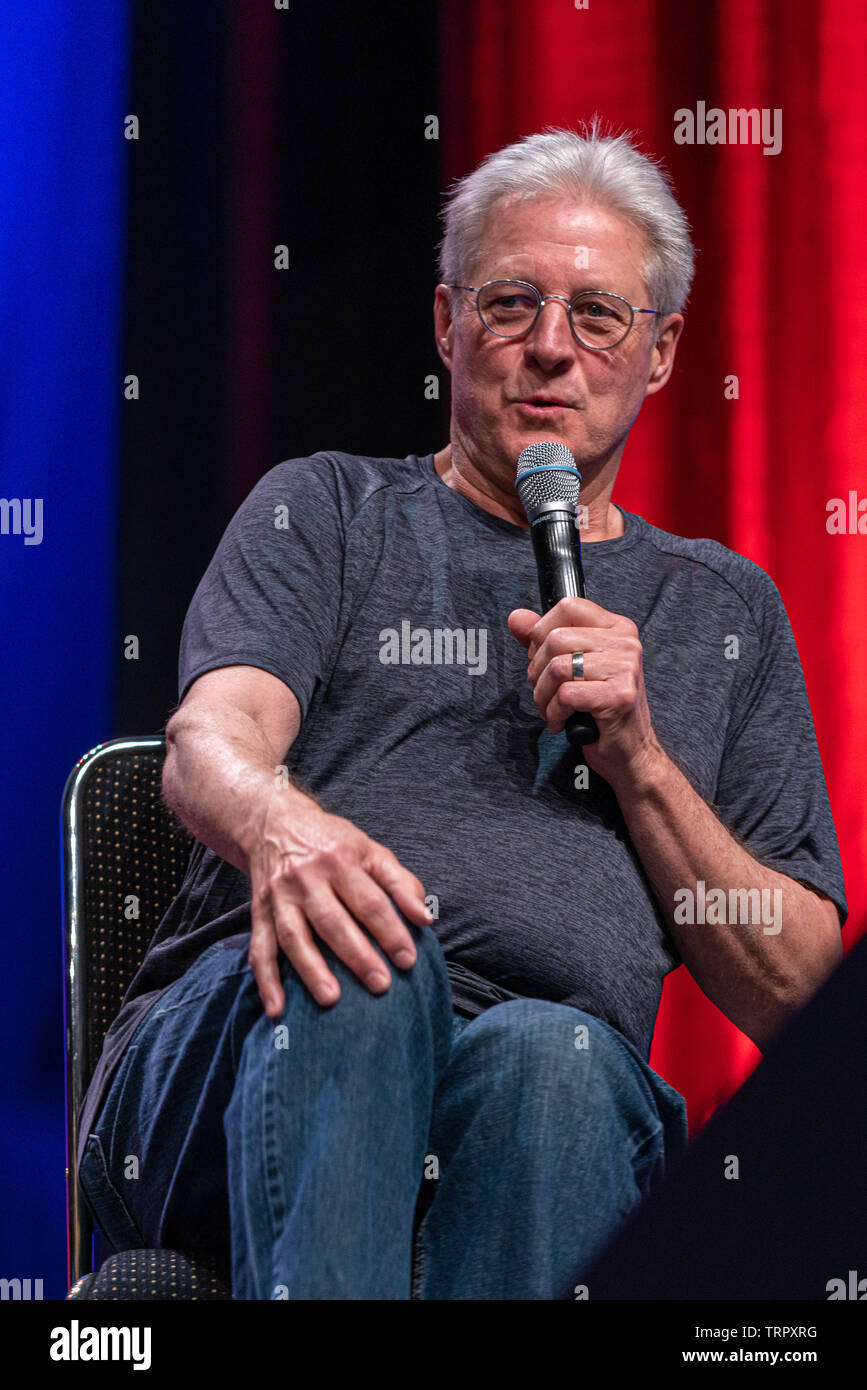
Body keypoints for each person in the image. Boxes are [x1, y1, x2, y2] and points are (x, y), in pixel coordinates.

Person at [77, 123, 847, 1300]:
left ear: (663, 351)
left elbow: (802, 993)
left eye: (598, 315)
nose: (551, 348)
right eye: (509, 304)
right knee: (372, 946)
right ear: (447, 326)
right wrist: (291, 832)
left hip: (536, 1116)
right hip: (249, 1054)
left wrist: (639, 760)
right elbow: (210, 743)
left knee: (560, 1060)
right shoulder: (329, 513)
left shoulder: (723, 610)